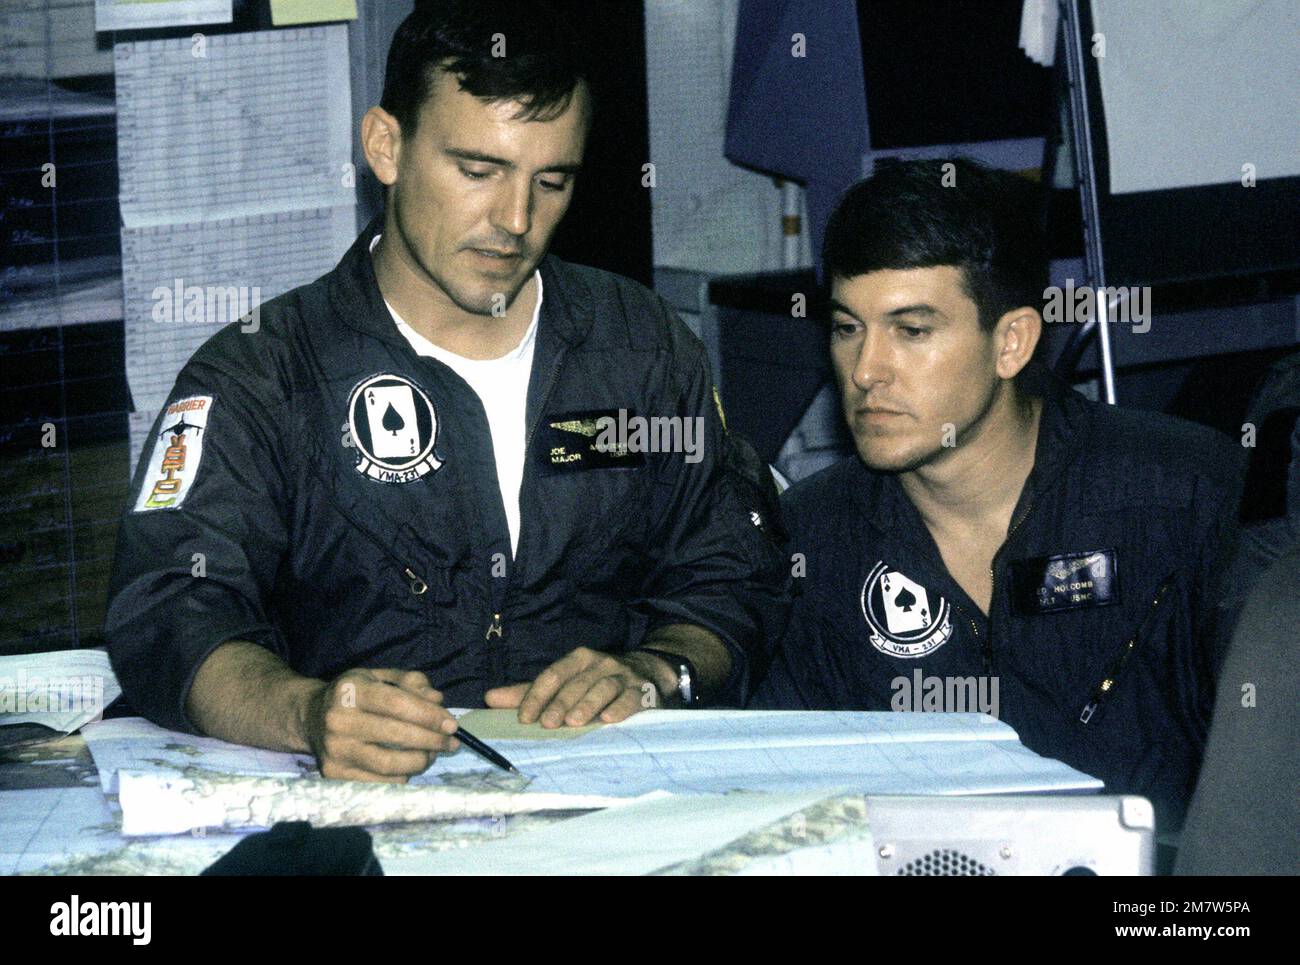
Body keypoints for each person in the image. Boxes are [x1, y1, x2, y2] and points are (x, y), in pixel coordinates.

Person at [105, 0, 787, 784]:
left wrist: (660, 671)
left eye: (551, 181)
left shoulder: (639, 347)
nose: (516, 219)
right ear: (385, 147)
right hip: (357, 809)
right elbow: (169, 611)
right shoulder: (267, 374)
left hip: (608, 803)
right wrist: (306, 712)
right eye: (477, 170)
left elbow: (738, 571)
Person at [751, 158, 1242, 830]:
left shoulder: (1182, 498)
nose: (866, 370)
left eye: (911, 330)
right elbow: (786, 813)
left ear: (1011, 342)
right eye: (847, 328)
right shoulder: (810, 543)